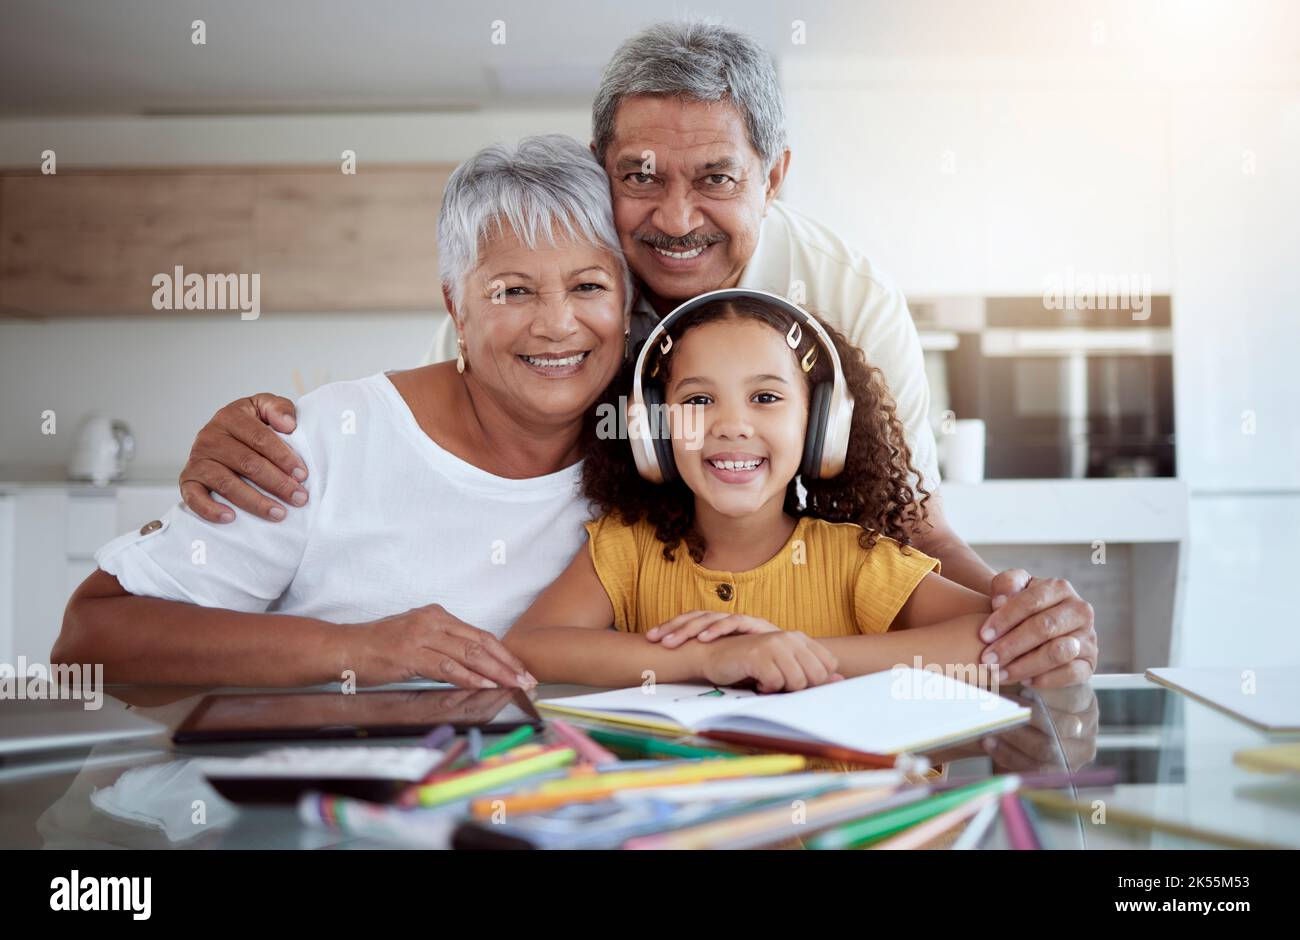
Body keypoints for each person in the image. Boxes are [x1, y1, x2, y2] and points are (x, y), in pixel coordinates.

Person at [168, 22, 1097, 689]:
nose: (676, 217)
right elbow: (452, 436)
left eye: (717, 178)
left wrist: (1020, 615)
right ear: (600, 167)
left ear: (773, 175)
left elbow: (911, 521)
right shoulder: (543, 278)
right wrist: (298, 437)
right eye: (640, 176)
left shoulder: (848, 294)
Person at [53, 135, 632, 689]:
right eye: (513, 291)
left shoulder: (659, 454)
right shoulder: (328, 441)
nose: (557, 325)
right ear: (457, 309)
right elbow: (91, 637)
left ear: (627, 304)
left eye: (588, 286)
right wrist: (353, 649)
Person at [505, 291, 993, 691]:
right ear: (652, 428)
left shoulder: (858, 562)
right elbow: (530, 645)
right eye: (699, 399)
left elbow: (991, 637)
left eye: (765, 397)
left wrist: (794, 653)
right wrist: (712, 657)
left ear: (821, 424)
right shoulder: (628, 549)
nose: (733, 425)